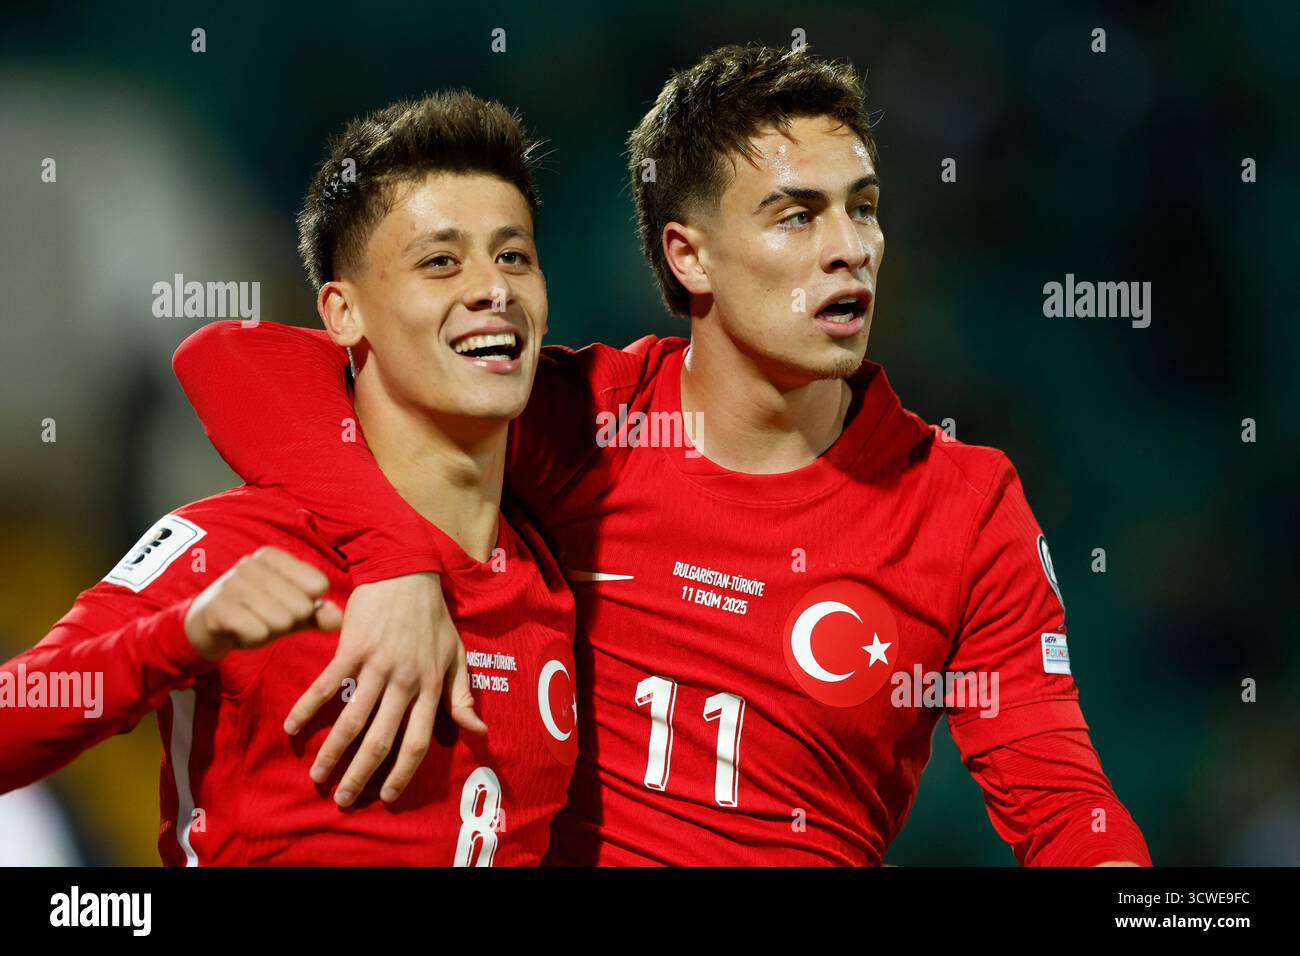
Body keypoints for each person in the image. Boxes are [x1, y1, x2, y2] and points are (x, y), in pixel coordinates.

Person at [174, 47, 1150, 866]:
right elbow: (238, 360)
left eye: (864, 206)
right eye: (797, 215)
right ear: (689, 256)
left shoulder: (963, 505)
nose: (850, 247)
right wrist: (394, 553)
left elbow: (1063, 806)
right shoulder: (579, 423)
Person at [0, 91, 577, 866]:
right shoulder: (237, 548)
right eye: (440, 261)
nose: (493, 288)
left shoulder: (554, 581)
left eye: (514, 256)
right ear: (342, 312)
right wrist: (183, 636)